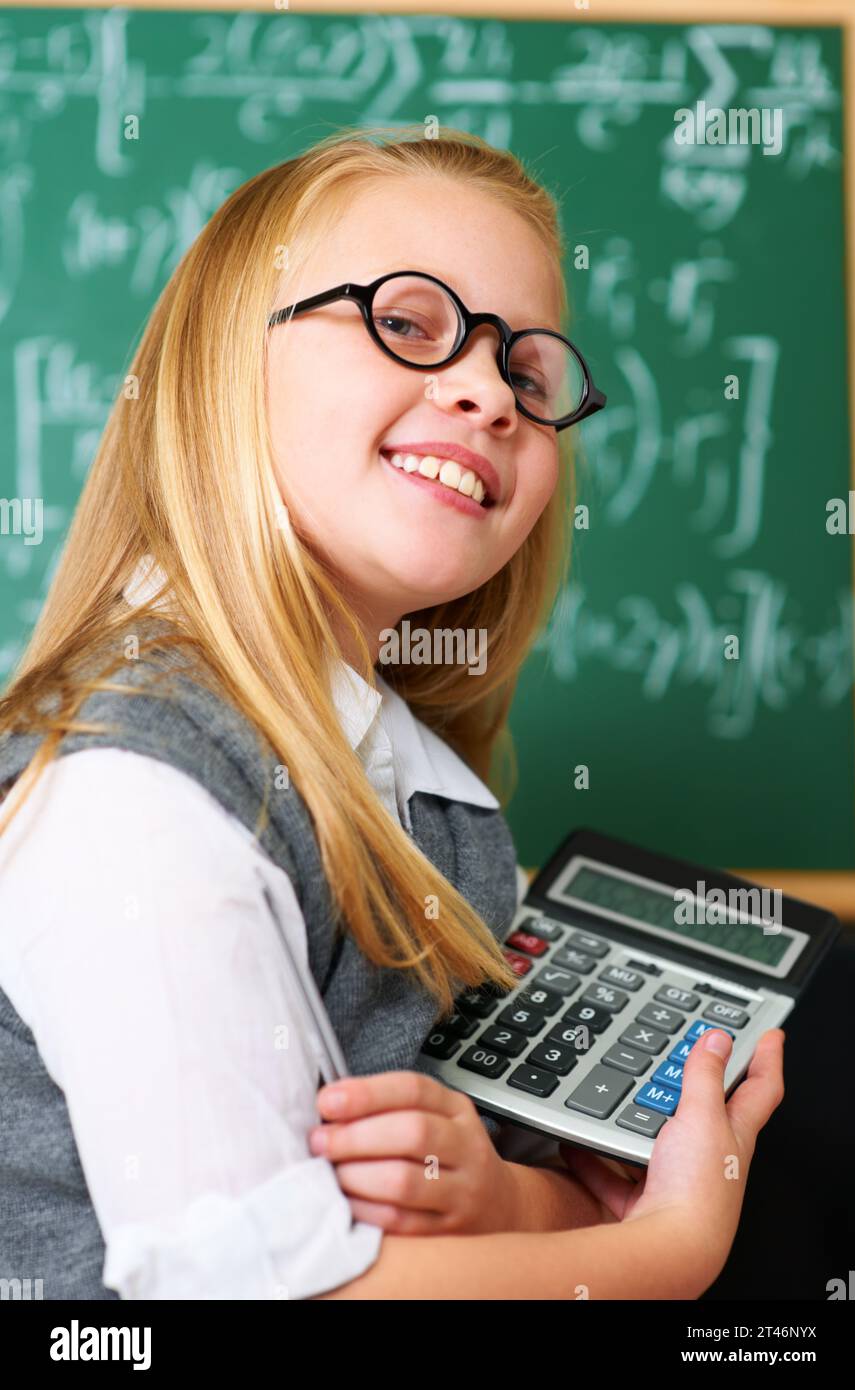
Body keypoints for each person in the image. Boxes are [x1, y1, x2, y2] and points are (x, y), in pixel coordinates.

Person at [0, 125, 784, 1300]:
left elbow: (424, 1213)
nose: (487, 391)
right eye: (404, 323)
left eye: (527, 372)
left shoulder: (411, 780)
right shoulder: (135, 796)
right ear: (223, 363)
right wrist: (668, 1247)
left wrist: (523, 1194)